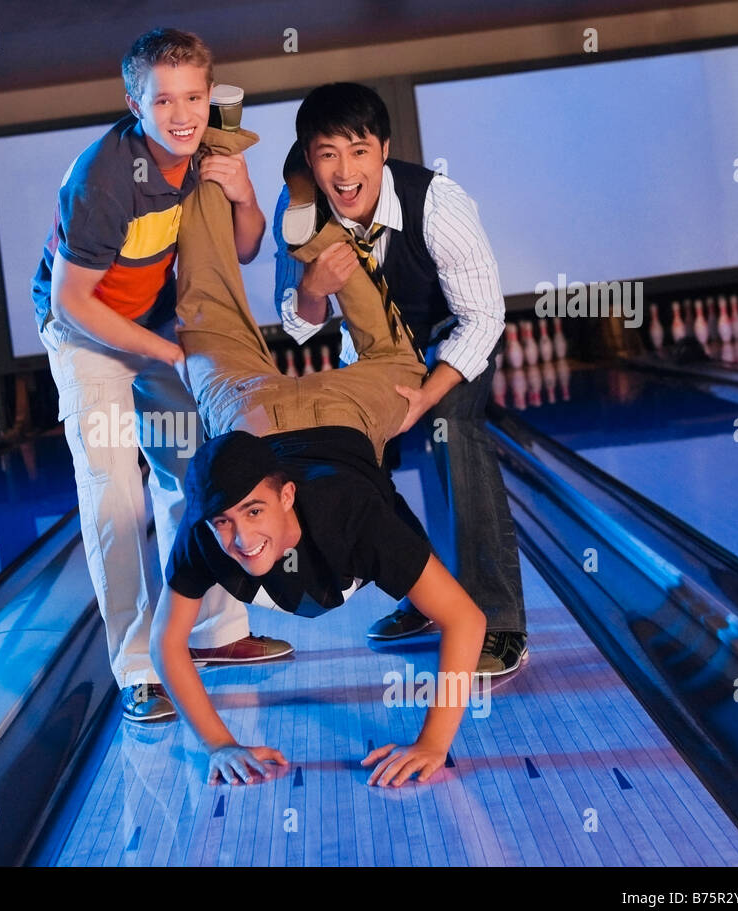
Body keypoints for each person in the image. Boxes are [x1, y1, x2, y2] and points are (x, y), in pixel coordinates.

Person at [150, 117, 485, 787]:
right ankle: (297, 215)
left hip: (316, 415)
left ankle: (226, 162)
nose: (239, 538)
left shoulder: (350, 517)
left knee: (222, 307)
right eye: (224, 523)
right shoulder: (214, 524)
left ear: (287, 496)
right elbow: (464, 620)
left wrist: (431, 744)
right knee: (220, 310)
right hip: (258, 422)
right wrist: (220, 746)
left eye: (249, 514)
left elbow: (466, 620)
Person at [31, 28, 292, 724]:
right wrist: (165, 352)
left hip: (155, 324)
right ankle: (139, 668)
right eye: (164, 100)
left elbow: (243, 247)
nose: (182, 114)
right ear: (134, 103)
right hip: (88, 335)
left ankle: (215, 635)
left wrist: (244, 197)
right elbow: (71, 301)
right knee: (116, 493)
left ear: (209, 95)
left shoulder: (207, 150)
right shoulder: (104, 178)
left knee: (195, 475)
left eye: (194, 97)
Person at [273, 82, 527, 676]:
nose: (343, 169)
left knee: (449, 431)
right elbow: (301, 325)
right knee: (356, 459)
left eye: (358, 150)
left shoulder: (438, 203)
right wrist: (312, 291)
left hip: (448, 343)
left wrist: (426, 396)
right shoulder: (301, 214)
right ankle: (426, 596)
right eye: (326, 152)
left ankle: (499, 621)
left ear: (383, 150)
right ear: (308, 159)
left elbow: (484, 317)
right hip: (367, 357)